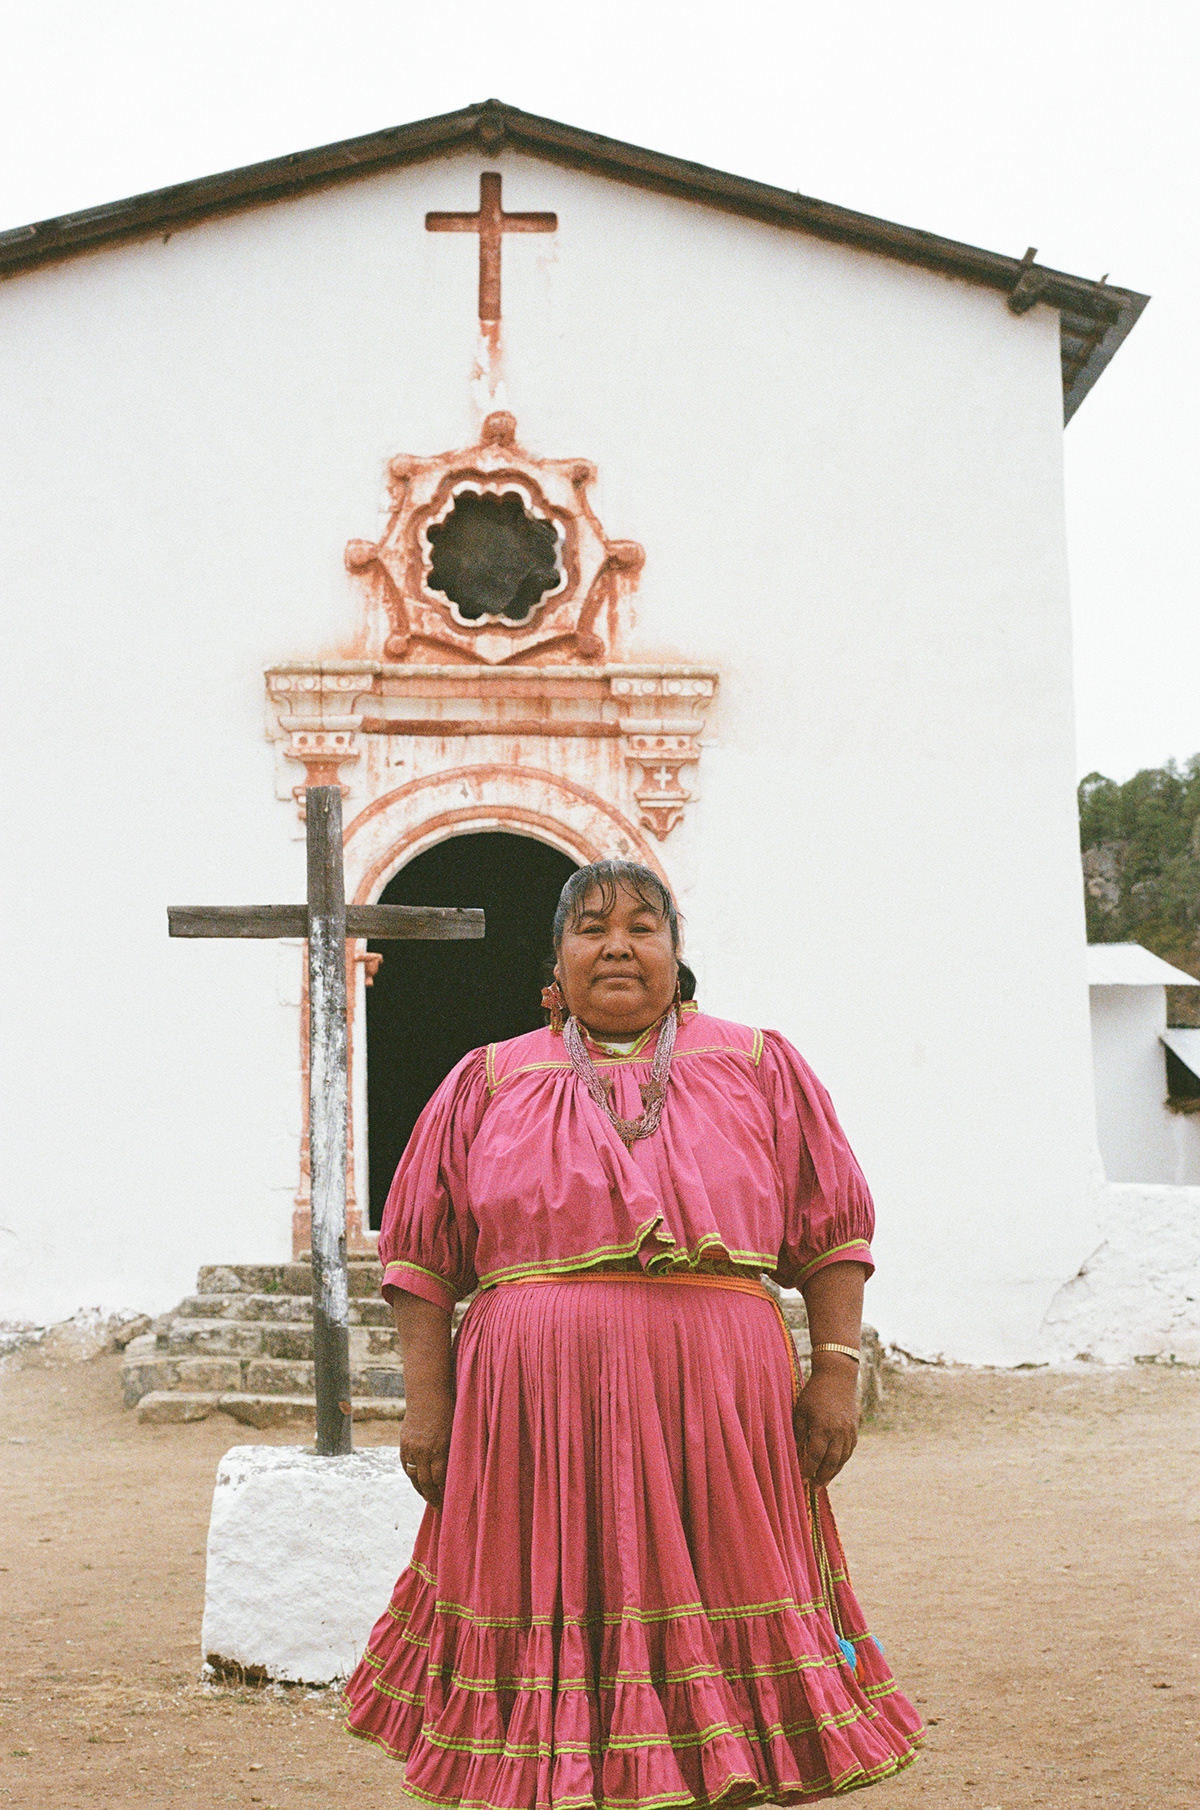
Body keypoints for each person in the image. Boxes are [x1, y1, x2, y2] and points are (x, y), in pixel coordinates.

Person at [344, 859, 922, 1805]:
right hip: (533, 1407)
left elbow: (832, 1231)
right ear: (556, 964)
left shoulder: (757, 1063)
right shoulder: (486, 1079)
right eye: (592, 927)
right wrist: (427, 1407)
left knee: (720, 1588)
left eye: (643, 926)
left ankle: (720, 1776)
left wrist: (836, 1371)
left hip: (718, 1400)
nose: (618, 944)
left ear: (677, 955)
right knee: (557, 1594)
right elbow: (421, 1263)